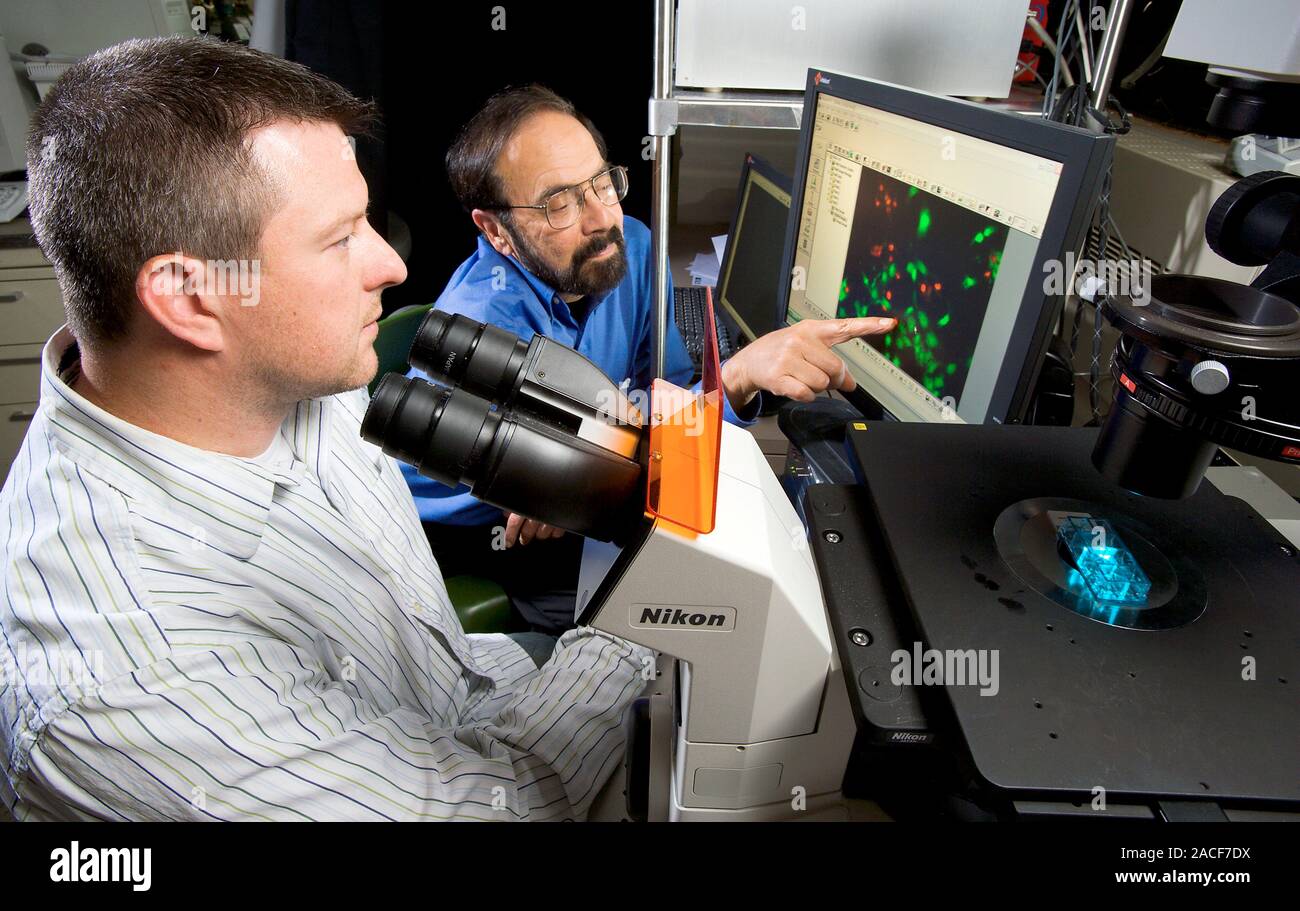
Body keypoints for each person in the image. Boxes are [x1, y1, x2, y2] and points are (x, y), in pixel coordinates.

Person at [0, 37, 648, 821]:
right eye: (339, 240)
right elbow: (497, 809)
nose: (392, 266)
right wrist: (650, 612)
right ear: (189, 297)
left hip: (457, 704)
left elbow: (413, 672)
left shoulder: (280, 373)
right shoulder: (134, 674)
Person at [406, 85, 896, 633]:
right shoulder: (480, 328)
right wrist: (731, 380)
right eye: (560, 203)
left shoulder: (629, 248)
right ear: (496, 231)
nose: (601, 219)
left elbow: (666, 397)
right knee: (719, 616)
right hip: (502, 545)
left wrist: (722, 389)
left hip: (605, 495)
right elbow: (418, 485)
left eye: (601, 183)